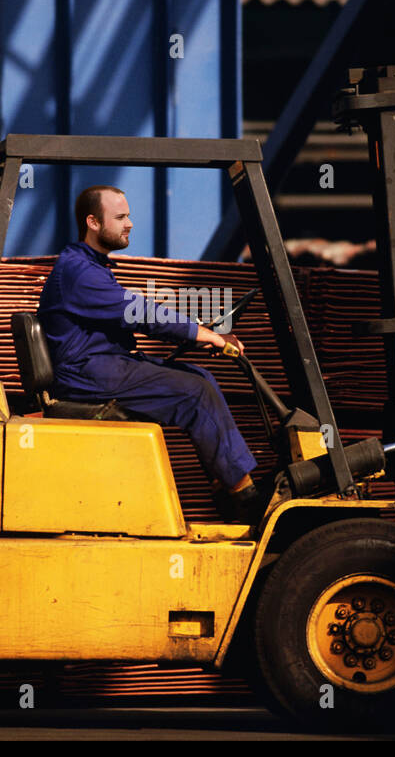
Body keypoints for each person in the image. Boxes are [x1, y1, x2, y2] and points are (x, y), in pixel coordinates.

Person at [36, 184, 268, 522]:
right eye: (120, 217)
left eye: (128, 215)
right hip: (88, 372)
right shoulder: (79, 272)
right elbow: (139, 312)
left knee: (198, 376)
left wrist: (199, 332)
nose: (129, 223)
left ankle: (227, 486)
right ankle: (242, 495)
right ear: (93, 222)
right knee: (196, 392)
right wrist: (203, 334)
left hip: (102, 364)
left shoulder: (89, 265)